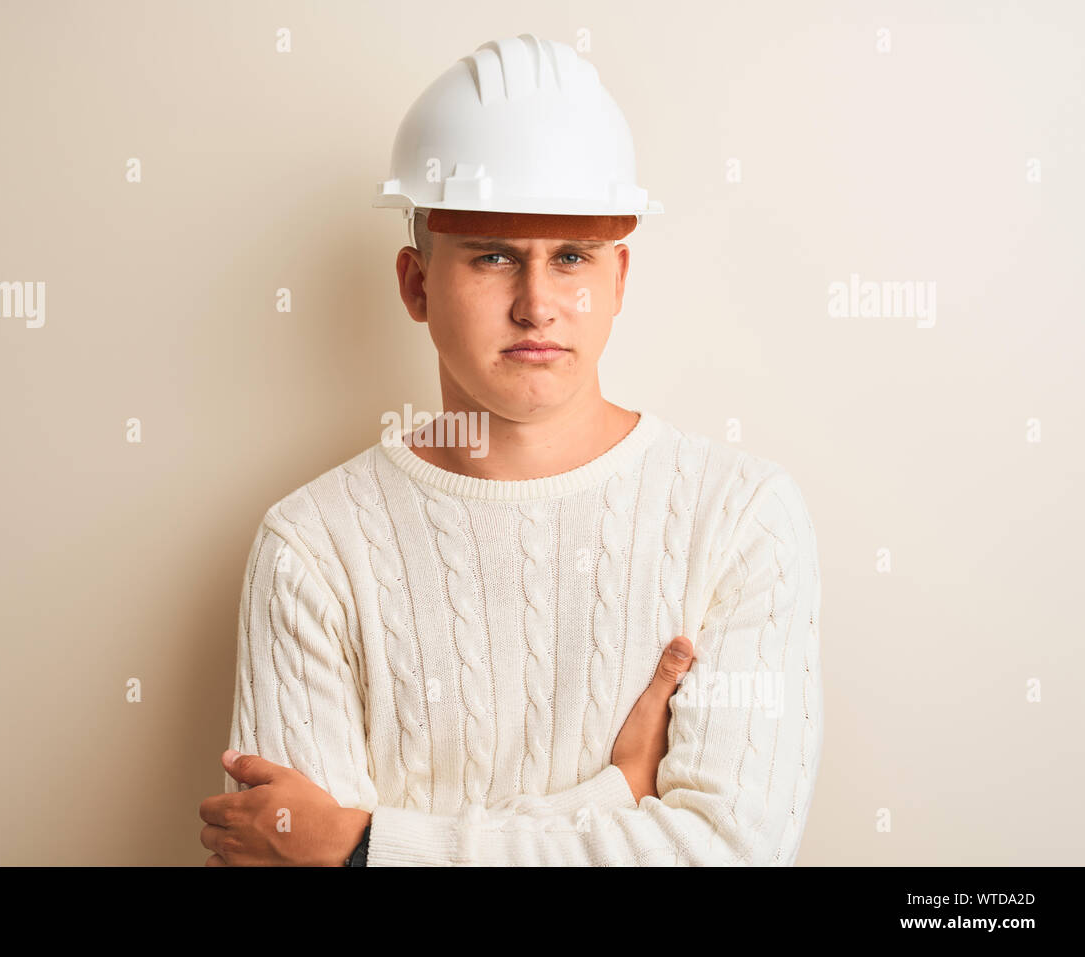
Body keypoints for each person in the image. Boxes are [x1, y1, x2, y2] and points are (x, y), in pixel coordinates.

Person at [199, 33, 822, 866]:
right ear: (417, 284)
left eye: (571, 257)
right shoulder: (311, 548)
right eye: (493, 256)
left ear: (619, 280)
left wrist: (363, 846)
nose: (537, 305)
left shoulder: (742, 517)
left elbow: (727, 854)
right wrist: (611, 799)